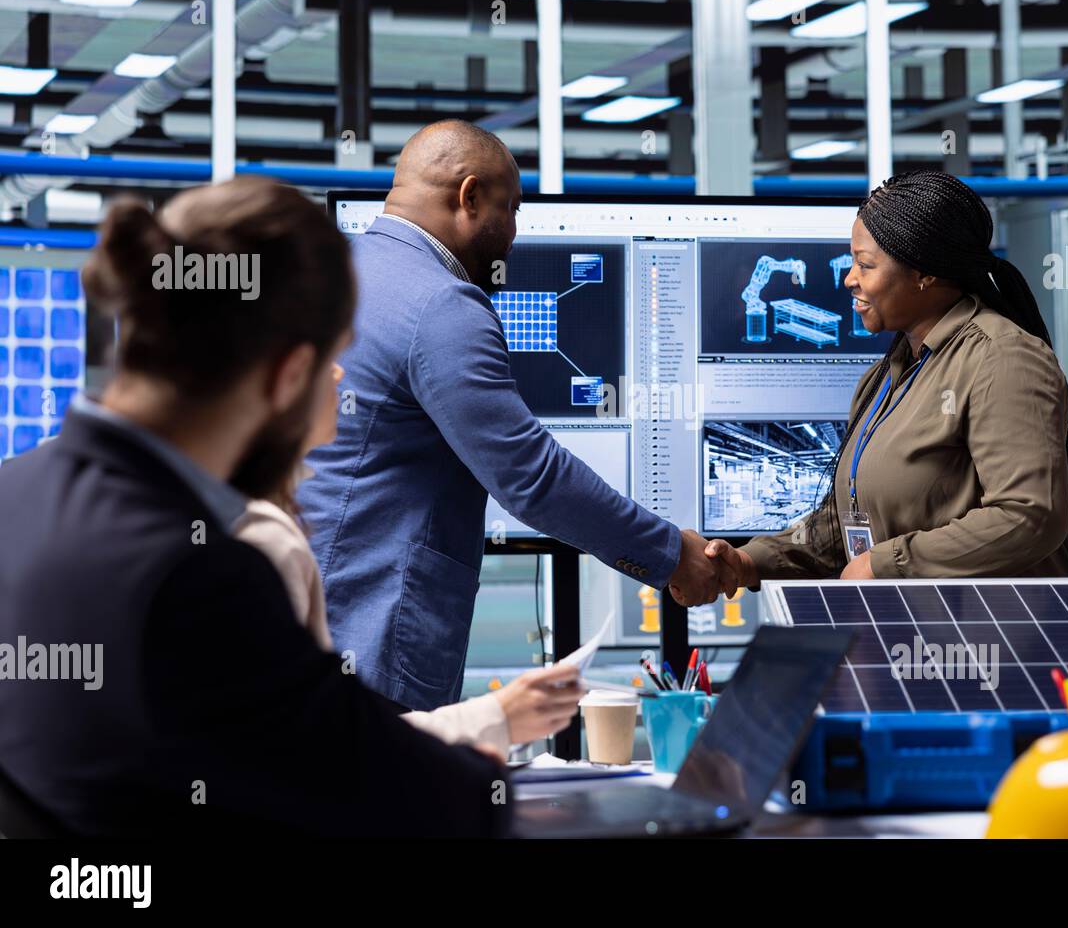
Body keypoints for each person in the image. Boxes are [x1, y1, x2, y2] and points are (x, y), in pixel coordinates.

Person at [0, 178, 509, 836]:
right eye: (333, 364)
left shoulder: (15, 494)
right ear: (289, 375)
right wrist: (486, 782)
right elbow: (384, 783)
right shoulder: (200, 574)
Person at [299, 120, 731, 712]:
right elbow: (532, 476)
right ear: (470, 196)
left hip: (309, 612)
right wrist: (672, 555)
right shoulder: (442, 303)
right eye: (513, 209)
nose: (514, 235)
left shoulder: (333, 276)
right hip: (372, 633)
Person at [706, 171, 1068, 586]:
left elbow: (1029, 516)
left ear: (925, 273)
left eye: (865, 265)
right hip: (911, 623)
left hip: (994, 626)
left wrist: (885, 564)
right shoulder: (884, 379)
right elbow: (846, 522)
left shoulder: (1001, 358)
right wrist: (751, 560)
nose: (850, 279)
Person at [235, 362, 584, 756]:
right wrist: (496, 718)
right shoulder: (265, 542)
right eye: (324, 352)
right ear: (282, 377)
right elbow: (310, 754)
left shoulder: (257, 522)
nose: (338, 372)